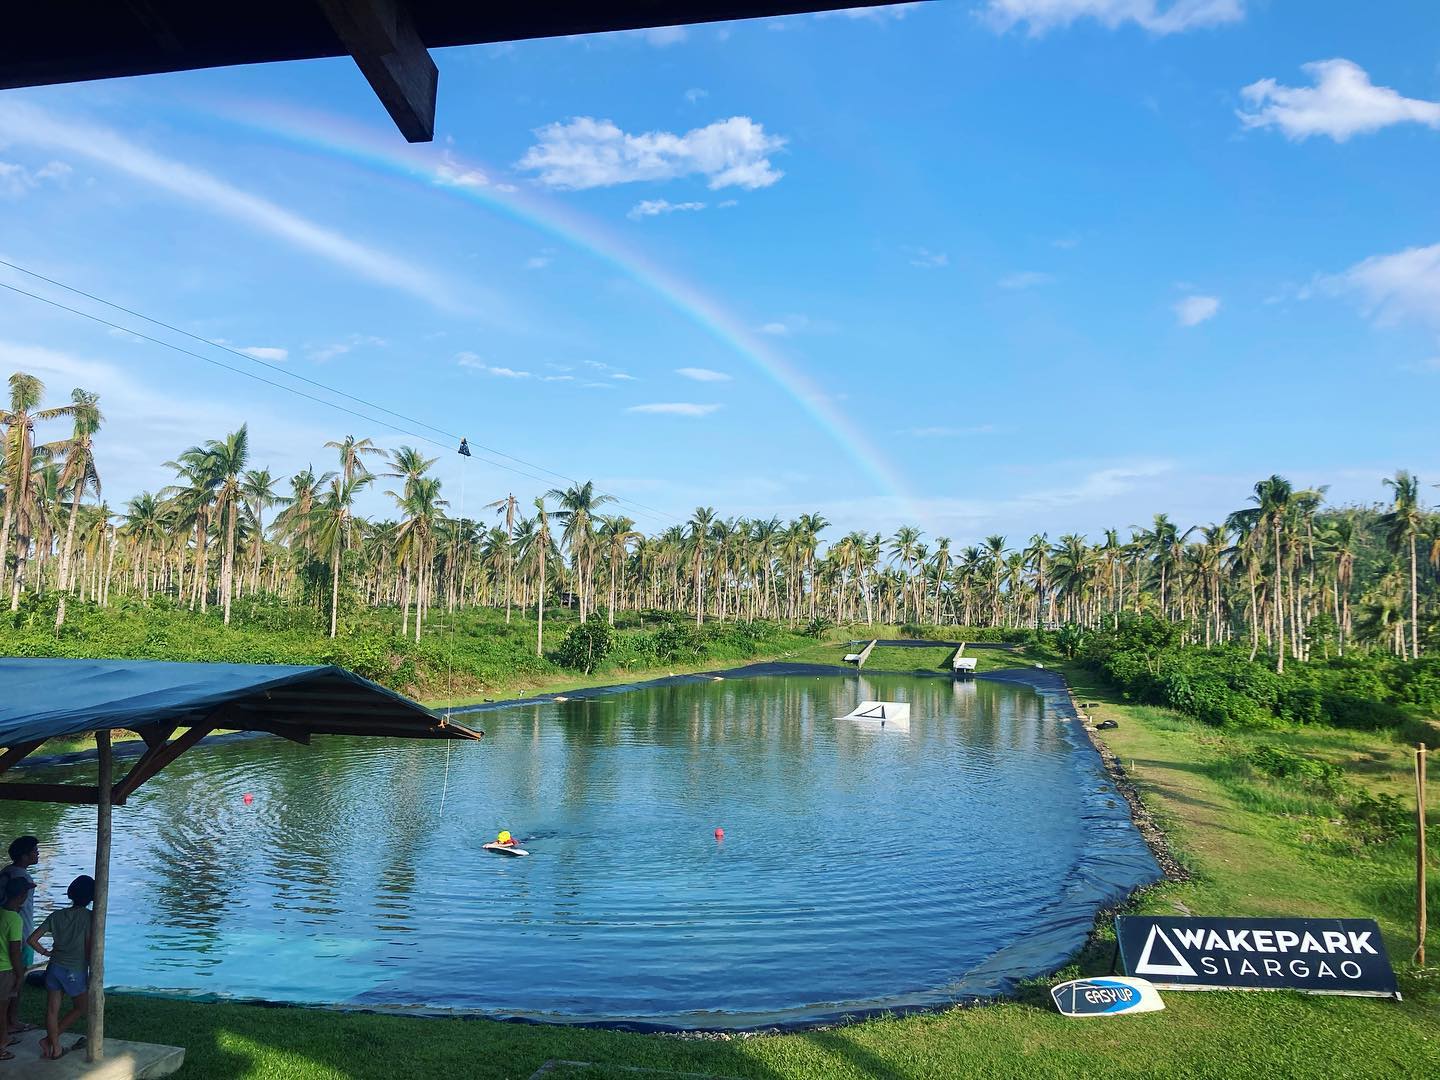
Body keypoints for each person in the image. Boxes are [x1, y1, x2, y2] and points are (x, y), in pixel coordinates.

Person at [27, 875, 94, 1061]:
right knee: (82, 1007)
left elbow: (31, 939)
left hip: (54, 967)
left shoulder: (56, 915)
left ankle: (55, 1047)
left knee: (52, 1010)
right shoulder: (89, 918)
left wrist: (46, 952)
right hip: (74, 970)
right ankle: (49, 1041)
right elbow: (89, 948)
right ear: (92, 897)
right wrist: (91, 969)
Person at [0, 836, 39, 1035]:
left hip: (4, 929)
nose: (37, 853)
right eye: (34, 851)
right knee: (17, 977)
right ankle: (12, 1020)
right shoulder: (23, 879)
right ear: (24, 856)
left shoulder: (6, 872)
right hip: (20, 934)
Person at [0, 877, 34, 1062]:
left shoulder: (3, 913)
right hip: (5, 970)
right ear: (22, 896)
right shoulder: (15, 919)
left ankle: (4, 1037)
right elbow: (15, 951)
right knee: (2, 1010)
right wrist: (20, 974)